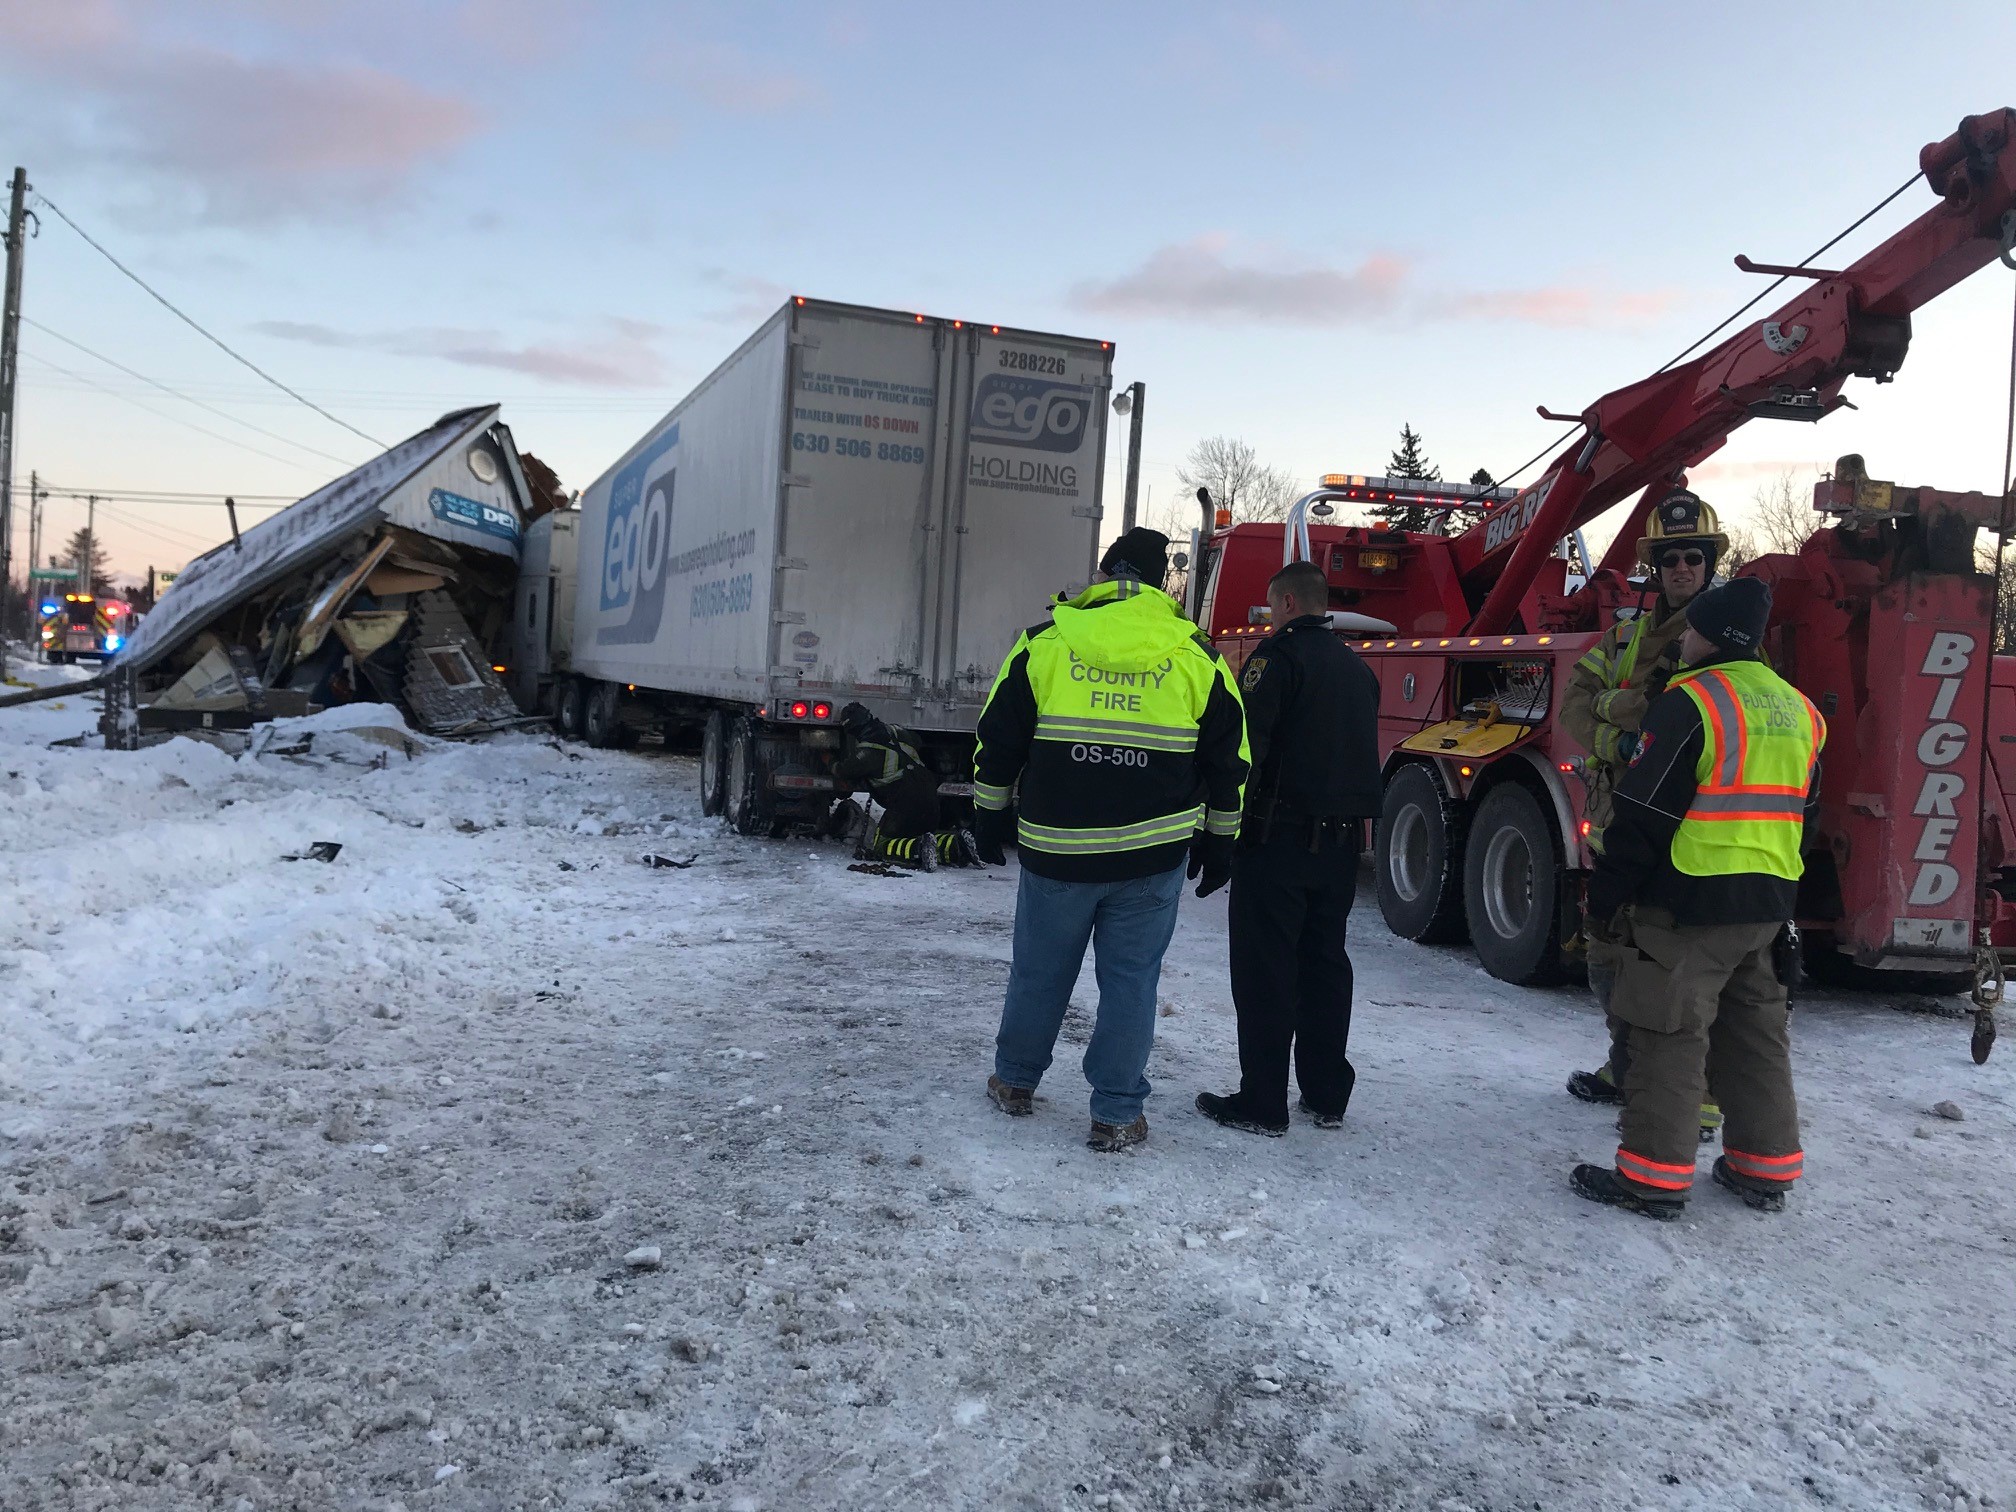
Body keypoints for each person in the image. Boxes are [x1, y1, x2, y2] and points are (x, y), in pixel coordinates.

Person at [972, 527, 1250, 1152]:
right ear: (1161, 582)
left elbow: (997, 739)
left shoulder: (1045, 642)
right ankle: (1118, 1112)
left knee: (1040, 972)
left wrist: (988, 814)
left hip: (1057, 850)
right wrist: (1220, 841)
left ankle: (1015, 1081)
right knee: (1131, 982)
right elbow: (1230, 761)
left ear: (1103, 575)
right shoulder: (1196, 655)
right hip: (1151, 855)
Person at [1570, 576, 1823, 1221]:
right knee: (1755, 1036)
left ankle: (1652, 1179)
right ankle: (1764, 1169)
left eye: (1692, 629)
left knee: (1667, 1033)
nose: (1681, 637)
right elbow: (1805, 814)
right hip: (1768, 903)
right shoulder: (1799, 709)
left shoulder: (1691, 703)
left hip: (1687, 903)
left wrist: (1606, 896)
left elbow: (1644, 814)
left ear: (1712, 637)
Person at [1558, 488, 1728, 1136]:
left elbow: (1684, 716)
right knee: (1609, 952)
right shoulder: (1625, 636)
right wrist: (1618, 739)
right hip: (1619, 823)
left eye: (1694, 556)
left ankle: (1697, 1093)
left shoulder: (1731, 637)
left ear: (1710, 562)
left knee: (1679, 969)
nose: (1682, 568)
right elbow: (1575, 703)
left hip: (1687, 832)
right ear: (1654, 567)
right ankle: (1625, 1066)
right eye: (1670, 558)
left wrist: (1621, 706)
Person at [1195, 559, 1381, 1136]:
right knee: (1325, 966)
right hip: (1342, 845)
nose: (1271, 617)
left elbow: (1247, 753)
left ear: (1289, 604)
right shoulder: (1357, 668)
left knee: (1266, 968)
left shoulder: (1275, 661)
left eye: (1273, 606)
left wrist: (1222, 834)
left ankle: (1262, 1101)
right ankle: (1326, 1096)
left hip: (1279, 841)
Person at [831, 703, 979, 869]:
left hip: (904, 806)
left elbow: (842, 770)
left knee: (882, 845)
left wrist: (828, 758)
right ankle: (956, 845)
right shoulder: (897, 731)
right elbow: (917, 741)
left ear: (852, 730)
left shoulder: (867, 752)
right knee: (922, 836)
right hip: (931, 799)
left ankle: (918, 848)